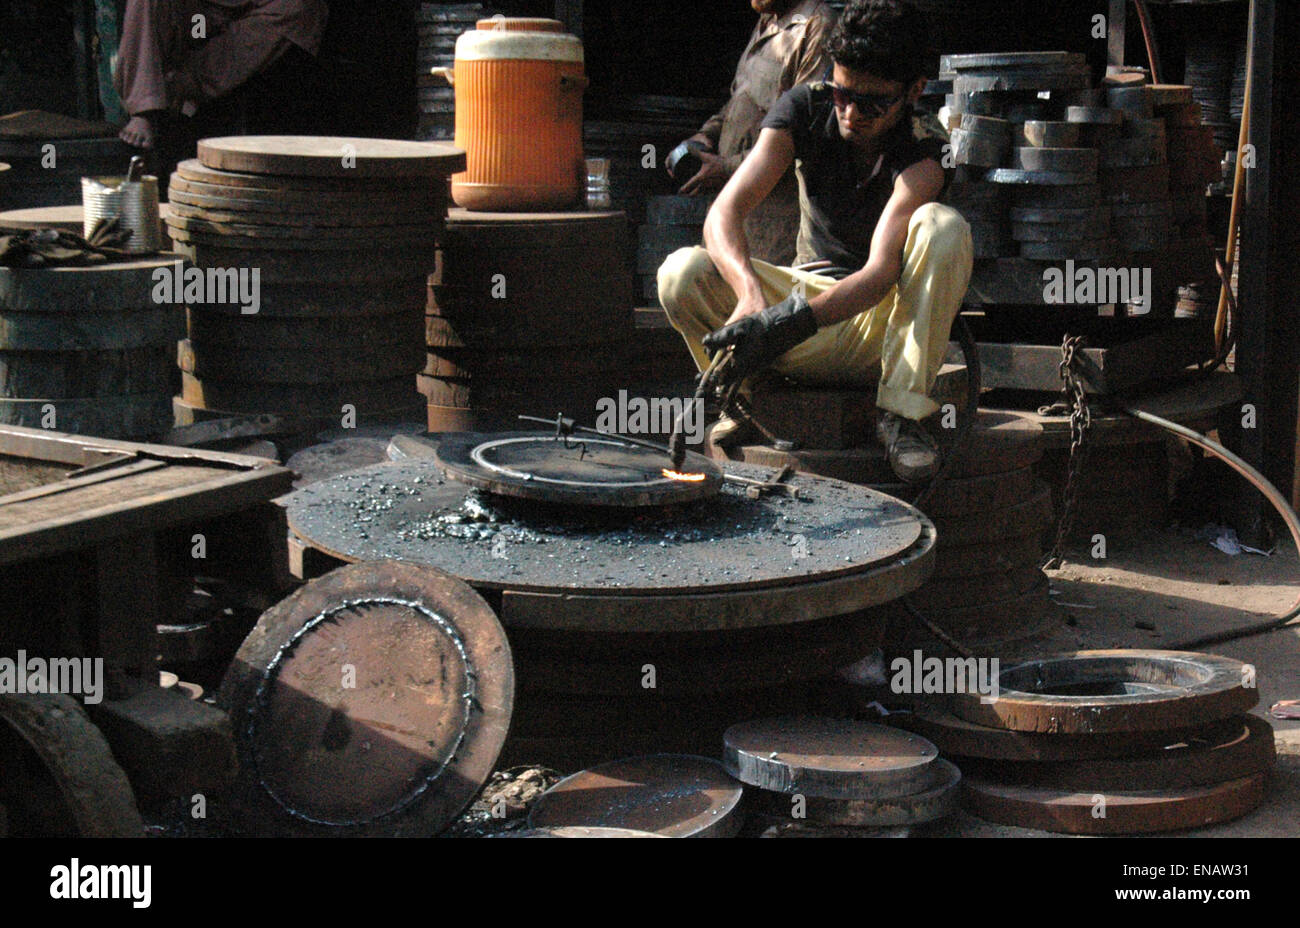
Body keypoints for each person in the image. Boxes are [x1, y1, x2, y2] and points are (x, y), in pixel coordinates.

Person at [657, 0, 973, 483]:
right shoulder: (805, 107)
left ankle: (902, 415)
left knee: (943, 226)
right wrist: (750, 294)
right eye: (843, 93)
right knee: (681, 273)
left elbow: (880, 272)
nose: (850, 113)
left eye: (871, 103)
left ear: (914, 92)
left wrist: (785, 322)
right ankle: (746, 397)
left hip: (876, 330)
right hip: (801, 313)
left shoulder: (927, 145)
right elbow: (727, 210)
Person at [671, 0, 834, 265]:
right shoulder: (767, 22)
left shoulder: (817, 27)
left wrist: (726, 168)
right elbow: (740, 99)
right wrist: (706, 135)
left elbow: (807, 133)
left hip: (779, 228)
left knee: (765, 299)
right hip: (737, 220)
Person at [114, 0, 328, 149]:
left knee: (301, 9)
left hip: (235, 11)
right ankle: (145, 109)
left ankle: (184, 85)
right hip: (184, 12)